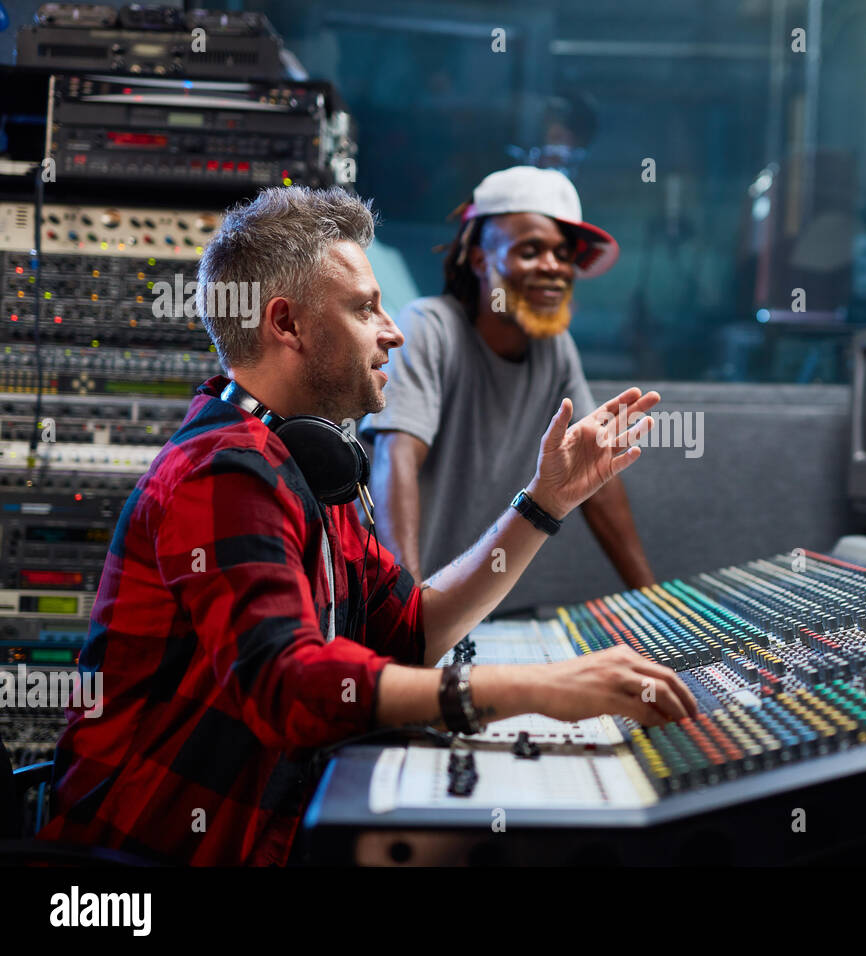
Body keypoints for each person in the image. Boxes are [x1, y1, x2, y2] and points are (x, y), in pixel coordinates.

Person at [39, 186, 696, 866]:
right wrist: (539, 689)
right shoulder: (221, 473)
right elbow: (287, 685)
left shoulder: (312, 464)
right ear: (286, 324)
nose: (394, 330)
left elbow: (411, 632)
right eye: (365, 308)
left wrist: (543, 502)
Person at [362, 166, 655, 588]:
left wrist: (650, 596)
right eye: (531, 250)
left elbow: (599, 479)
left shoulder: (554, 348)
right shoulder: (429, 326)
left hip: (471, 605)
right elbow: (396, 461)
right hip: (406, 597)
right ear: (480, 257)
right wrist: (405, 610)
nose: (553, 266)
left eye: (564, 253)